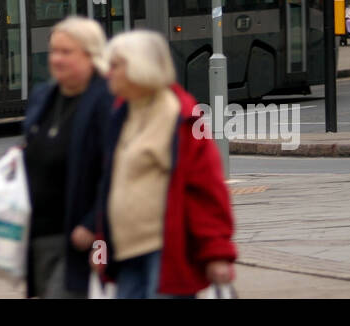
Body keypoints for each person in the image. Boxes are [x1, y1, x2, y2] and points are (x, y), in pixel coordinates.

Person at [93, 30, 236, 298]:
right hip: (126, 252)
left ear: (140, 68)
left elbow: (206, 189)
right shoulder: (121, 112)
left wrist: (216, 252)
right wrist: (100, 243)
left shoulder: (179, 115)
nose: (108, 73)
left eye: (116, 65)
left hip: (165, 254)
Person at [21, 16, 114, 299]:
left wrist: (92, 223)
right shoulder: (44, 96)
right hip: (40, 236)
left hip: (78, 240)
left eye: (66, 52)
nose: (56, 59)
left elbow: (118, 171)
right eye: (53, 51)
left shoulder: (106, 100)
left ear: (91, 55)